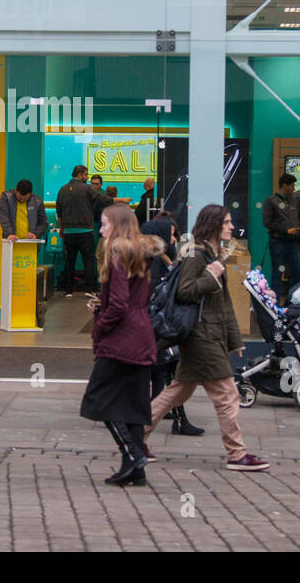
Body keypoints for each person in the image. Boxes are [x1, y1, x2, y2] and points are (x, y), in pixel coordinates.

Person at [146, 205, 271, 471]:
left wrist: (235, 341)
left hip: (206, 334)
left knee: (177, 391)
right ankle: (237, 454)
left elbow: (223, 304)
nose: (231, 227)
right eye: (226, 222)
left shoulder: (212, 254)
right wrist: (210, 275)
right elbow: (185, 292)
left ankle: (135, 436)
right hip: (202, 337)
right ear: (213, 225)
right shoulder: (196, 254)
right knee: (227, 393)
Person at [80, 205, 163, 486]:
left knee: (98, 399)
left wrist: (99, 329)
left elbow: (117, 305)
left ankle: (132, 454)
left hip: (121, 338)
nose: (101, 229)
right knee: (134, 405)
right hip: (142, 335)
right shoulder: (140, 253)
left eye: (104, 224)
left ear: (117, 226)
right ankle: (136, 470)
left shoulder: (116, 254)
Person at [141, 216, 203, 442]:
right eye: (171, 233)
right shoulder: (154, 259)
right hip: (156, 325)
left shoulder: (160, 256)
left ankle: (174, 418)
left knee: (163, 373)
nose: (175, 238)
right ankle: (167, 420)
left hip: (156, 325)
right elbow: (157, 292)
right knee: (166, 372)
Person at [56, 165, 113, 296]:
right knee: (88, 260)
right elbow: (102, 199)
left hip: (69, 232)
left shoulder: (62, 190)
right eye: (86, 175)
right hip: (85, 231)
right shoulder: (87, 189)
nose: (87, 178)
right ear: (80, 174)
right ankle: (89, 289)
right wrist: (121, 200)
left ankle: (68, 290)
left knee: (70, 260)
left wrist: (62, 230)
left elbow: (59, 212)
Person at [262, 173, 300, 305]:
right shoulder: (270, 201)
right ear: (285, 185)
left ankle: (292, 300)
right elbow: (267, 222)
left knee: (298, 271)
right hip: (278, 241)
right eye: (292, 186)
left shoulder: (294, 200)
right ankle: (274, 302)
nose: (293, 189)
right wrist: (286, 230)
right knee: (277, 272)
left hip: (293, 242)